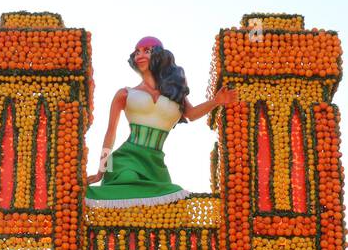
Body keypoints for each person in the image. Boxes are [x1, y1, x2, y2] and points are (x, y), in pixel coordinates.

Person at [86, 36, 237, 207]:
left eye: (146, 51)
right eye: (136, 52)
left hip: (156, 165)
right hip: (125, 160)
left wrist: (216, 101)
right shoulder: (125, 94)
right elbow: (110, 133)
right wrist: (101, 170)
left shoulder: (175, 93)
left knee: (172, 203)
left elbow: (192, 114)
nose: (139, 55)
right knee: (129, 182)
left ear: (159, 55)